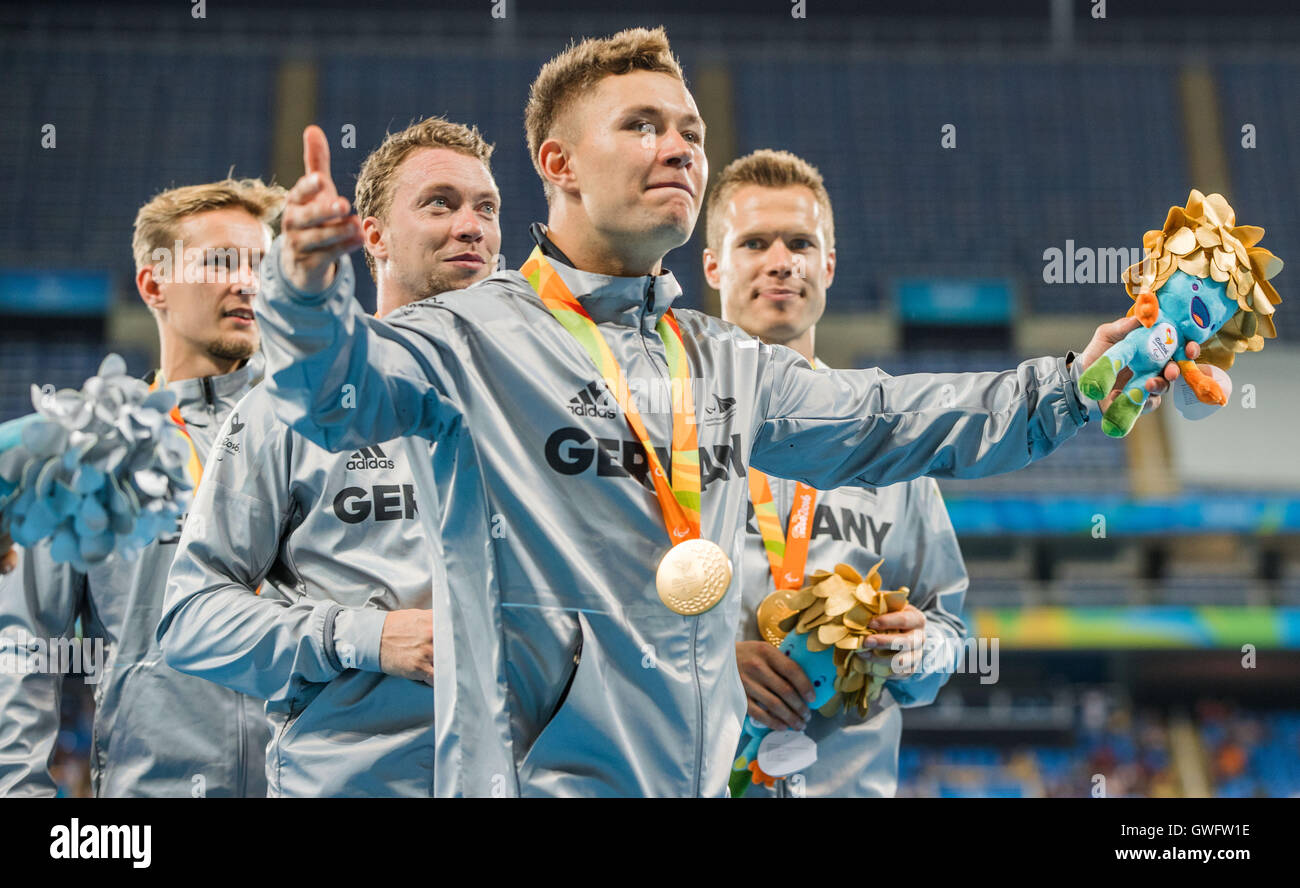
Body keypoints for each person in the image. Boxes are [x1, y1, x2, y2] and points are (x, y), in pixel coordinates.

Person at [253, 27, 1191, 797]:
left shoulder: (716, 359)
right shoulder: (466, 335)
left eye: (693, 133)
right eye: (645, 125)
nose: (682, 149)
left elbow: (894, 420)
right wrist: (301, 285)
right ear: (560, 163)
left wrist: (1072, 387)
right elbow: (328, 393)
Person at [158, 117, 502, 797]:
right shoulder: (280, 410)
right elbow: (190, 618)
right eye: (441, 203)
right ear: (372, 235)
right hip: (354, 781)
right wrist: (364, 636)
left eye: (486, 208)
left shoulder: (528, 405)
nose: (472, 226)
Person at [0, 177, 282, 796]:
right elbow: (22, 656)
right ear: (153, 285)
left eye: (262, 264)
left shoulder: (316, 438)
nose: (248, 283)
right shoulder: (83, 453)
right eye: (220, 262)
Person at [704, 148, 967, 797]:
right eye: (754, 243)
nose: (780, 261)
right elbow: (598, 623)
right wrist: (706, 667)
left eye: (800, 242)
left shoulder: (886, 438)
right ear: (713, 265)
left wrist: (918, 650)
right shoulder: (660, 434)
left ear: (827, 264)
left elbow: (950, 631)